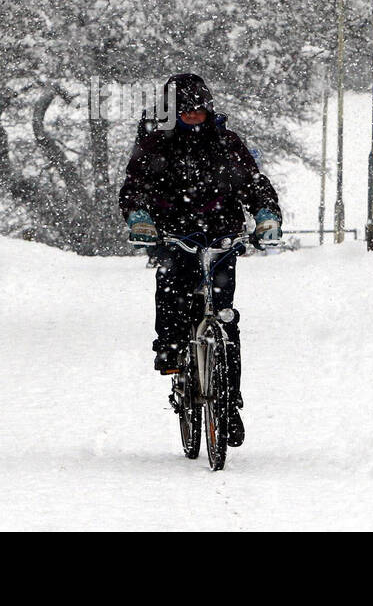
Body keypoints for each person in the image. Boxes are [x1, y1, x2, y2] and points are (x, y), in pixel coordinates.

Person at [118, 73, 281, 447]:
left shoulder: (226, 144)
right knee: (173, 291)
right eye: (186, 110)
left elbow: (252, 182)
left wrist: (265, 212)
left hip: (222, 236)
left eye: (199, 109)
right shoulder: (156, 145)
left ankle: (228, 402)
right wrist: (140, 218)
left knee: (225, 316)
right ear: (174, 112)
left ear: (208, 109)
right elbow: (135, 187)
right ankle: (172, 351)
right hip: (176, 237)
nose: (194, 116)